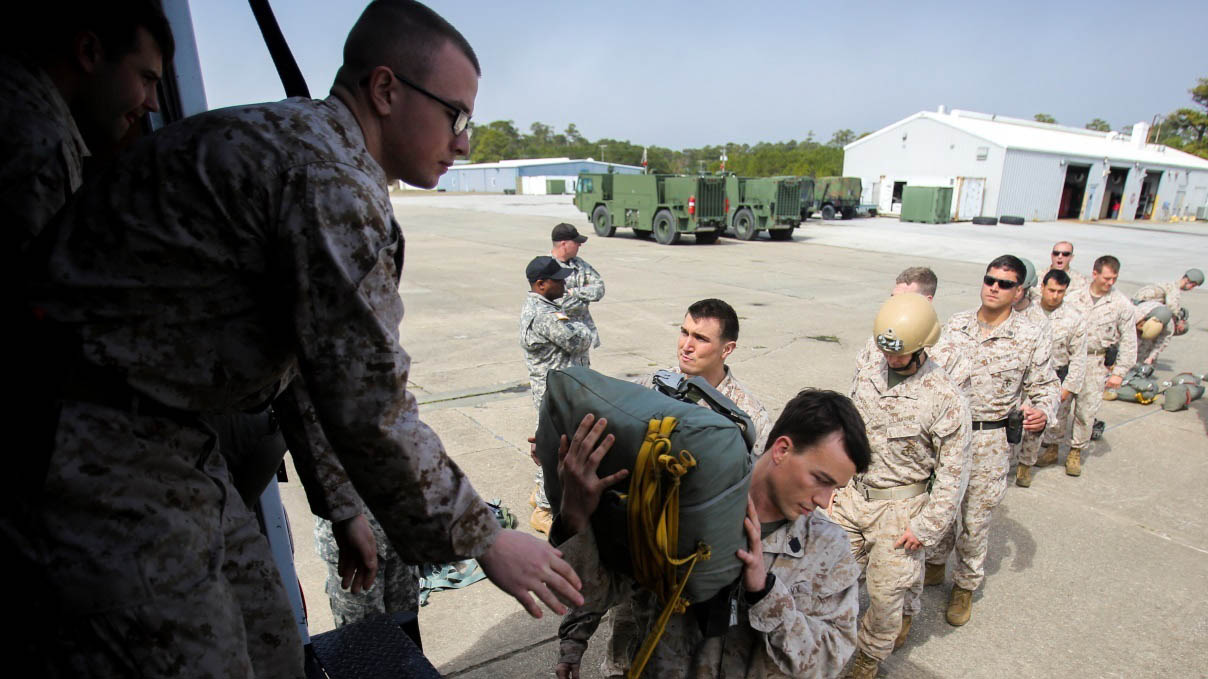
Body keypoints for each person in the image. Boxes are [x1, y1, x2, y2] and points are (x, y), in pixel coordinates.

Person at [15, 2, 582, 675]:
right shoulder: (328, 179)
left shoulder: (309, 149)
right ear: (385, 89)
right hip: (87, 438)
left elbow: (310, 361)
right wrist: (485, 538)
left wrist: (341, 506)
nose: (464, 141)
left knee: (271, 639)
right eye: (455, 116)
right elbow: (369, 402)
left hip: (169, 434)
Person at [555, 390, 871, 679]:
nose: (825, 501)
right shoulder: (682, 501)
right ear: (782, 450)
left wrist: (766, 596)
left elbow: (830, 660)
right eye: (820, 479)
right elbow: (599, 591)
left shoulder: (829, 548)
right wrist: (574, 517)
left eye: (836, 488)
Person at [833, 294, 971, 678]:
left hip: (900, 512)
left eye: (900, 354)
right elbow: (847, 431)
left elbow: (952, 472)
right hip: (851, 497)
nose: (891, 360)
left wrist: (925, 528)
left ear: (923, 347)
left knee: (885, 596)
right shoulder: (868, 372)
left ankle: (867, 660)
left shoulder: (945, 398)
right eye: (887, 352)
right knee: (829, 575)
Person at [925, 255, 1059, 626]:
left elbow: (1046, 385)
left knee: (975, 517)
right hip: (948, 434)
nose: (994, 288)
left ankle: (965, 585)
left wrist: (1043, 410)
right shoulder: (956, 325)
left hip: (990, 438)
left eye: (1003, 284)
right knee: (939, 503)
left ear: (1018, 292)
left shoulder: (1030, 335)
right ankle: (935, 563)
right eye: (989, 280)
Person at [1, 0, 171, 256]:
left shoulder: (12, 88)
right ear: (89, 51)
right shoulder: (41, 152)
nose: (154, 104)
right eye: (146, 79)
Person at [636, 298, 772, 454]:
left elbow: (758, 473)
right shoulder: (654, 384)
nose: (686, 347)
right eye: (684, 333)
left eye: (700, 338)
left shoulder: (748, 416)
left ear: (727, 349)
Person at [520, 255, 594, 532]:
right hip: (557, 392)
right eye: (558, 280)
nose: (564, 283)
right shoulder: (545, 315)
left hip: (556, 388)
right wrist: (582, 326)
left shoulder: (541, 306)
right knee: (557, 448)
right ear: (541, 284)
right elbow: (576, 340)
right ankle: (544, 508)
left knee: (552, 442)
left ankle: (539, 492)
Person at [1063, 255, 1137, 476]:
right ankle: (1051, 446)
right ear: (1094, 273)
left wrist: (1120, 372)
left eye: (1114, 278)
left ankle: (1075, 451)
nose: (1110, 283)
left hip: (1096, 361)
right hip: (1069, 359)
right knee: (1059, 407)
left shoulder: (1122, 304)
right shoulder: (1073, 298)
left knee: (1087, 411)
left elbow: (1129, 340)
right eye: (1106, 278)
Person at [1029, 270, 1088, 481]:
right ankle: (1028, 459)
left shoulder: (1074, 318)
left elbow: (1079, 357)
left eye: (1060, 292)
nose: (1055, 295)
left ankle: (1063, 450)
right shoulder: (1028, 310)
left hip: (1057, 375)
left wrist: (1067, 387)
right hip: (1030, 375)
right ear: (1042, 287)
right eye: (1051, 290)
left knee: (1058, 418)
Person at [550, 222, 605, 350]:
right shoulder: (547, 267)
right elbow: (555, 304)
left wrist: (573, 292)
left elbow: (599, 289)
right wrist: (584, 296)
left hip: (582, 334)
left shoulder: (580, 264)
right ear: (564, 244)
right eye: (576, 242)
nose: (579, 245)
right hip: (559, 336)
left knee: (582, 369)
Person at [1131, 268, 1202, 320]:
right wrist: (1179, 318)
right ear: (1187, 280)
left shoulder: (1168, 284)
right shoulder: (1173, 289)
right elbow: (1172, 307)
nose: (1191, 289)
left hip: (1135, 305)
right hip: (1142, 307)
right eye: (1193, 285)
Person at [1133, 301, 1176, 367]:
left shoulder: (1168, 329)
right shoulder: (1140, 312)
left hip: (1149, 341)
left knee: (1143, 358)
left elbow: (1161, 344)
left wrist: (1151, 357)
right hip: (1137, 324)